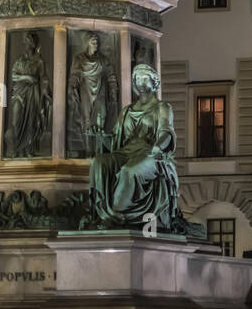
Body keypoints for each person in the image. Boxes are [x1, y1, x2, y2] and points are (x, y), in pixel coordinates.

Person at [87, 63, 179, 230]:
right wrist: (100, 136)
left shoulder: (162, 108)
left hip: (149, 153)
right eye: (136, 78)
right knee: (99, 163)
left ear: (154, 82)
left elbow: (166, 132)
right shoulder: (127, 111)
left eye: (144, 78)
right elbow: (116, 140)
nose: (140, 82)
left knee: (129, 172)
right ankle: (104, 213)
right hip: (125, 152)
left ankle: (116, 215)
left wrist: (158, 147)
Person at [67, 31, 118, 156]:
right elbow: (75, 75)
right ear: (87, 43)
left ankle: (99, 151)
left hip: (101, 90)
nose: (96, 44)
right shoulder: (79, 59)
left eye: (97, 41)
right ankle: (89, 151)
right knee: (87, 119)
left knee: (102, 117)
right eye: (93, 41)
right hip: (85, 90)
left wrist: (113, 90)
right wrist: (72, 87)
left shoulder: (103, 59)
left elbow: (111, 76)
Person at [5, 31, 51, 158]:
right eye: (25, 43)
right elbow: (14, 75)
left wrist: (46, 92)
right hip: (19, 94)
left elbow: (44, 78)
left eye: (28, 43)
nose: (26, 46)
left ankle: (28, 149)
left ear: (33, 45)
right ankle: (17, 148)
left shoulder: (39, 61)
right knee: (16, 121)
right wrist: (27, 77)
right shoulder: (20, 60)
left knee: (32, 120)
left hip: (33, 94)